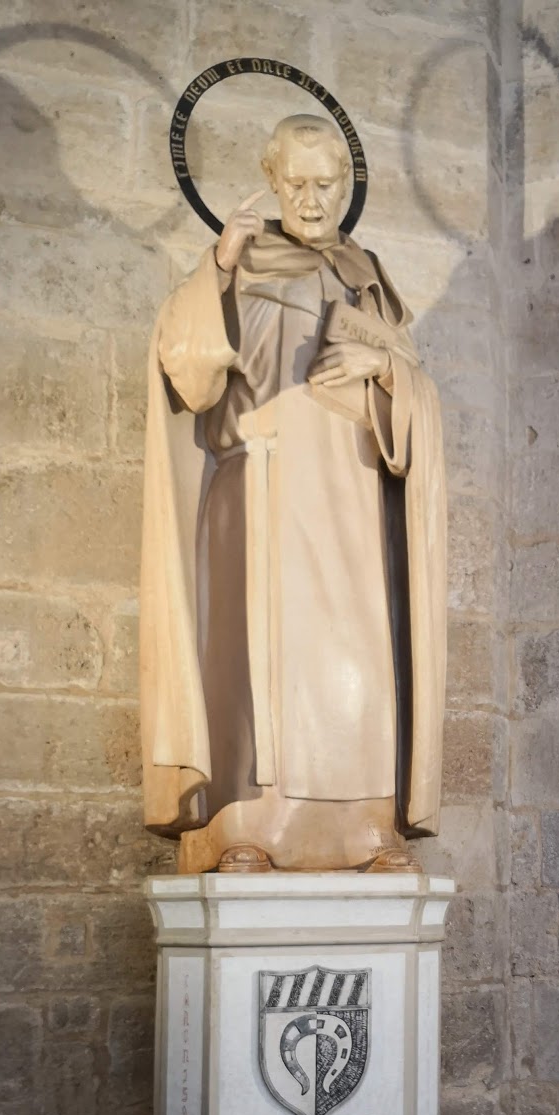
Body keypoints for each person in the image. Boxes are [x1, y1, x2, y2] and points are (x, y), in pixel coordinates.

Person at [139, 114, 446, 872]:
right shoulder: (239, 264)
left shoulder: (364, 278)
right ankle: (246, 829)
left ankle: (369, 829)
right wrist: (219, 262)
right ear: (272, 183)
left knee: (361, 669)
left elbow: (417, 393)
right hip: (261, 491)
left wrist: (382, 374)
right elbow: (189, 371)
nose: (312, 200)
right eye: (297, 183)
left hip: (354, 502)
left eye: (327, 183)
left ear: (347, 185)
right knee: (255, 663)